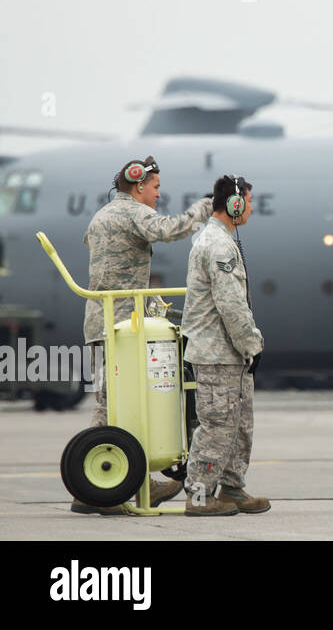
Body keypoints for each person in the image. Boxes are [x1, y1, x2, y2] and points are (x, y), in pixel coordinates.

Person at [74, 156, 212, 515]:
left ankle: (124, 482)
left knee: (120, 403)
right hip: (122, 326)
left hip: (104, 323)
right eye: (155, 188)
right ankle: (94, 488)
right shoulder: (133, 213)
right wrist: (203, 208)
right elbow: (170, 230)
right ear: (138, 187)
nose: (157, 195)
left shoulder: (101, 216)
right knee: (113, 405)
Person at [181, 175, 268, 517]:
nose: (249, 208)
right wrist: (252, 344)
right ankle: (200, 497)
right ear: (234, 204)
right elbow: (230, 304)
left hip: (230, 354)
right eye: (247, 201)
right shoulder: (218, 245)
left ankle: (232, 489)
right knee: (217, 426)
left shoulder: (222, 240)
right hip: (218, 354)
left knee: (239, 425)